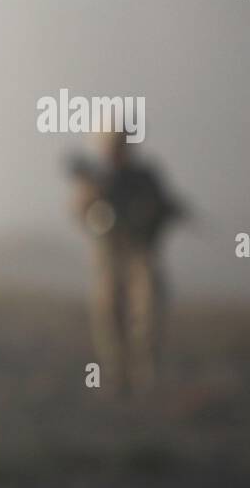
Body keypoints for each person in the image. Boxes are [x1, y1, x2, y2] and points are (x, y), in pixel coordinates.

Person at [68, 127, 185, 395]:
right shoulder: (96, 179)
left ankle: (145, 374)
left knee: (147, 312)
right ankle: (116, 375)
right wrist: (94, 197)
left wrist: (159, 213)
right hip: (109, 257)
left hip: (139, 255)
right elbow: (81, 212)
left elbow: (161, 208)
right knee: (109, 314)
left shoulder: (144, 177)